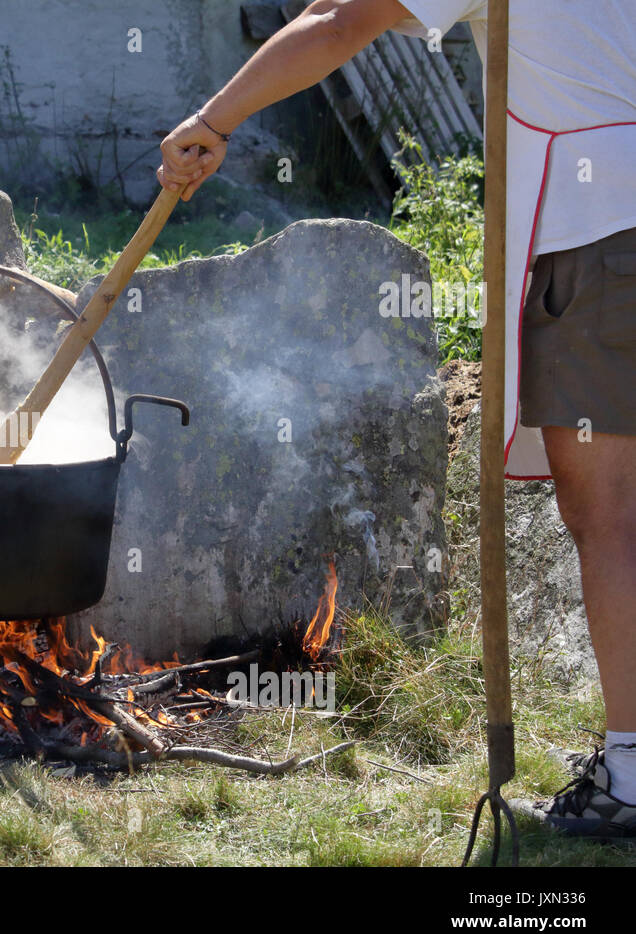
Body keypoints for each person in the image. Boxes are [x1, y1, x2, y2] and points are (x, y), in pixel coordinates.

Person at [158, 0, 636, 839]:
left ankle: (632, 775)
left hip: (604, 229)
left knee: (612, 517)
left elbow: (344, 18)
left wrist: (212, 119)